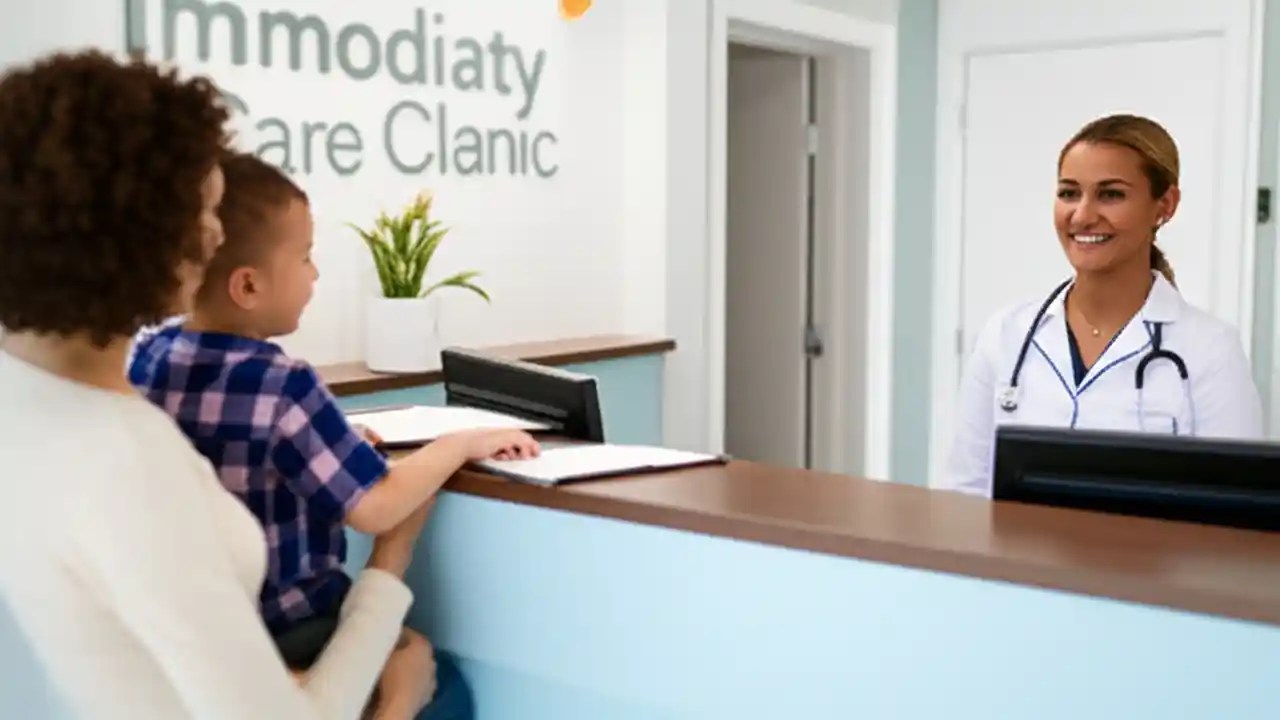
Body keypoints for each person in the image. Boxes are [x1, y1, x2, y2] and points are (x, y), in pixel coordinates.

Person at [0, 50, 432, 719]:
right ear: (146, 233)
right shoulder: (129, 459)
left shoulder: (29, 400)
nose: (214, 232)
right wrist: (397, 673)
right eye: (206, 209)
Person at [127, 151, 540, 719]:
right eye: (307, 257)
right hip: (299, 625)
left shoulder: (151, 355)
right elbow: (376, 508)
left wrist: (335, 440)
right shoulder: (284, 383)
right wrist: (459, 444)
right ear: (248, 285)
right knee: (448, 690)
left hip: (213, 634)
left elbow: (227, 444)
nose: (315, 274)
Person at [943, 113, 1264, 496]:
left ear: (1165, 204)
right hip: (1017, 556)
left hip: (1147, 558)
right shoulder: (1006, 334)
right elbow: (965, 491)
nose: (1082, 215)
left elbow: (1234, 510)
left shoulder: (1209, 349)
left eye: (1111, 194)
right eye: (1069, 193)